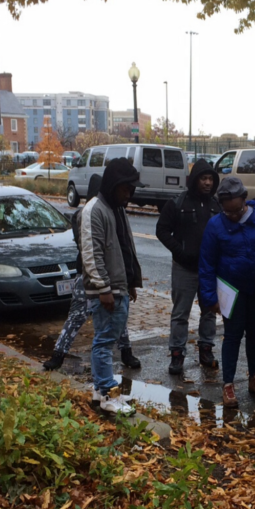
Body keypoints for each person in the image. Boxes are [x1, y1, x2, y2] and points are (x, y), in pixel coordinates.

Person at [43, 173, 138, 371]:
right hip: (86, 275)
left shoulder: (117, 212)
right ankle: (58, 355)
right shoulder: (85, 214)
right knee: (77, 316)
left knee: (118, 317)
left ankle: (126, 352)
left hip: (114, 275)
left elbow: (126, 246)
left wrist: (130, 279)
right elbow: (88, 250)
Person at [198, 177, 255, 407]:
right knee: (232, 336)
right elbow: (206, 263)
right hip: (231, 291)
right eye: (227, 212)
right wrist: (210, 297)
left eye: (236, 210)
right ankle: (228, 384)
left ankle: (254, 376)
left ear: (245, 200)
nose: (232, 216)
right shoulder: (215, 225)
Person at [81, 157, 144, 415]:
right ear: (113, 184)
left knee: (106, 340)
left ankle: (99, 390)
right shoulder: (95, 209)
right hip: (107, 291)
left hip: (118, 287)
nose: (129, 194)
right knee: (105, 342)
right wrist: (103, 288)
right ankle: (107, 393)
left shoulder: (116, 208)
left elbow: (125, 247)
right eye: (125, 188)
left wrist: (131, 282)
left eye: (131, 189)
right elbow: (91, 253)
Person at [156, 159, 221, 374]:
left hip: (209, 270)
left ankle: (206, 349)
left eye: (211, 179)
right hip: (184, 268)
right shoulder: (178, 203)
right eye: (204, 178)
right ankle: (177, 354)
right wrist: (179, 251)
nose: (207, 183)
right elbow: (162, 230)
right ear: (195, 180)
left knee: (209, 311)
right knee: (180, 313)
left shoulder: (216, 205)